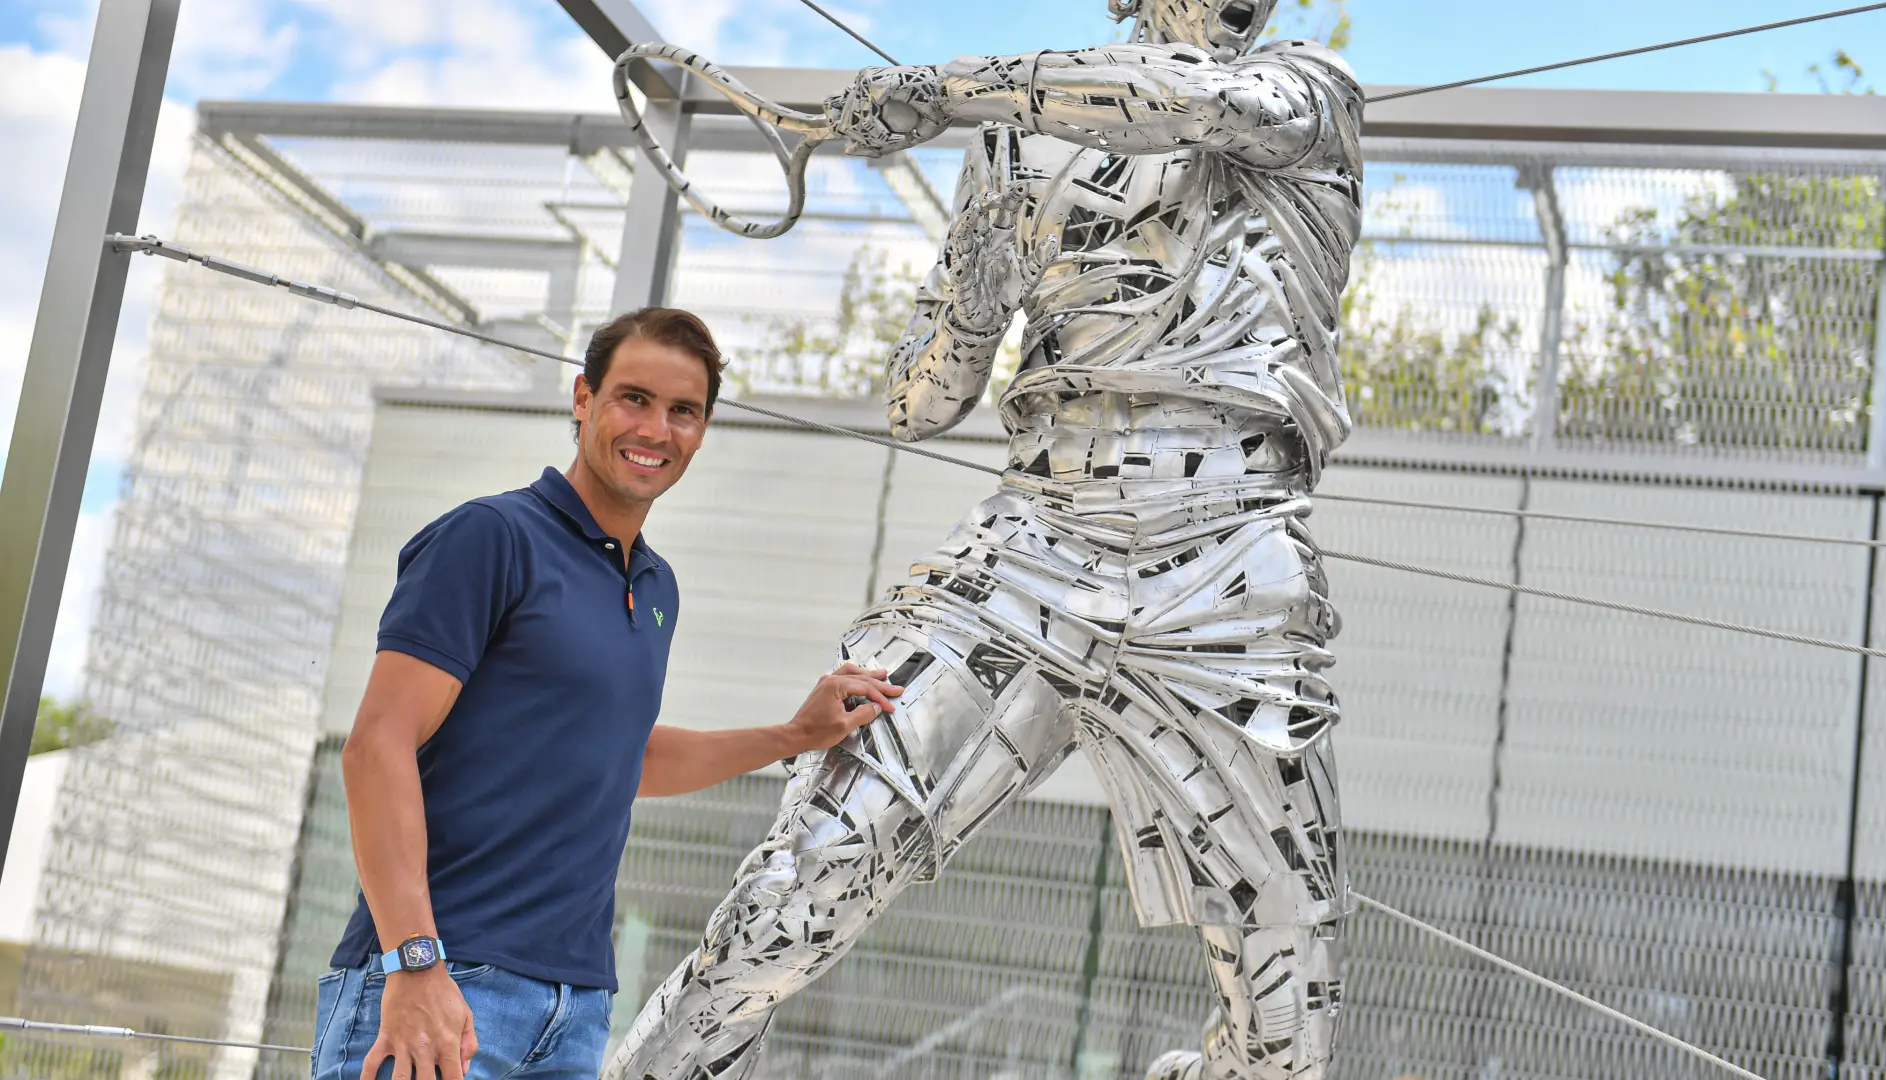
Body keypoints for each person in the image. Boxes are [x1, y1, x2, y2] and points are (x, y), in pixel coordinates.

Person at [606, 2, 1364, 1079]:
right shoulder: (1014, 138)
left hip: (1230, 580)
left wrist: (940, 93)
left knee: (1289, 1044)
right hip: (1029, 555)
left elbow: (1181, 100)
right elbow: (923, 402)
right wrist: (981, 268)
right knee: (802, 886)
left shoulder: (1307, 97)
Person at [312, 307, 903, 1080]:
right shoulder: (491, 538)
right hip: (447, 981)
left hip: (576, 1011)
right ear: (583, 399)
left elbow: (628, 759)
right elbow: (375, 747)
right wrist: (415, 961)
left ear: (702, 429)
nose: (656, 429)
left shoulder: (656, 587)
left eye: (682, 411)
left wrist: (793, 736)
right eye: (634, 399)